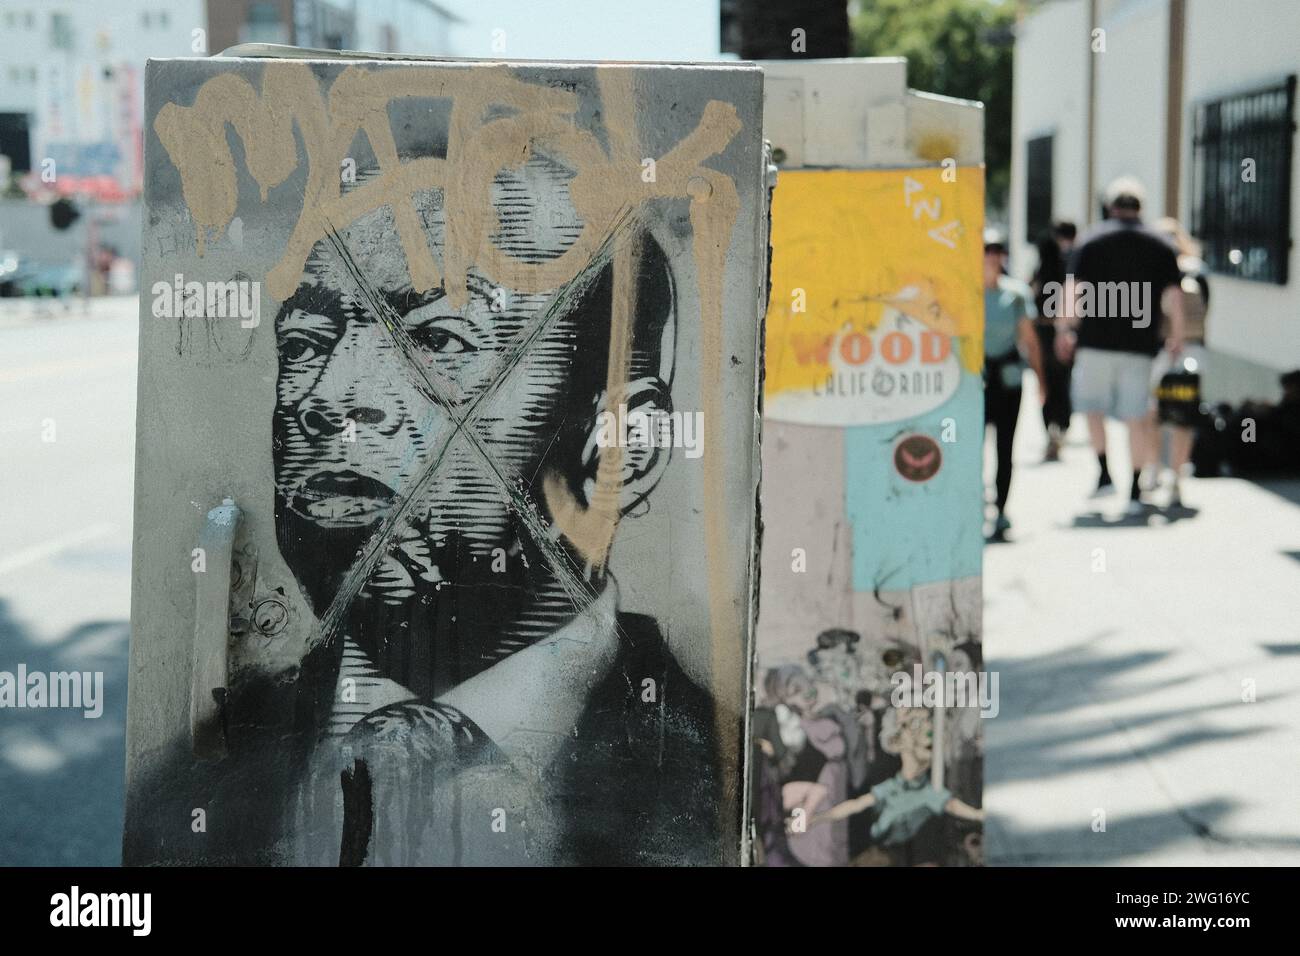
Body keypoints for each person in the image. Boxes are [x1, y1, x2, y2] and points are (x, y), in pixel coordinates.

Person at [1054, 177, 1185, 516]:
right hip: (1140, 344)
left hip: (1095, 341)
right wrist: (1178, 335)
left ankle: (1104, 473)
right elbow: (1174, 297)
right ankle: (1136, 490)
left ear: (1110, 206)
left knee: (1092, 408)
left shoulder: (1091, 240)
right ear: (1141, 207)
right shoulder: (1160, 244)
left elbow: (1073, 289)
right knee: (1135, 416)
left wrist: (1065, 328)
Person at [983, 229, 1046, 541]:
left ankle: (1002, 508)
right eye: (986, 250)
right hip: (976, 383)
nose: (991, 257)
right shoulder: (965, 292)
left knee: (1005, 447)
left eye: (997, 251)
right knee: (970, 448)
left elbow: (1030, 340)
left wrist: (1041, 380)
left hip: (1008, 381)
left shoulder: (1016, 293)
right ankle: (974, 503)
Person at [1149, 218, 1210, 508]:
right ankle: (1170, 474)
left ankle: (1160, 471)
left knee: (1160, 414)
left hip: (1167, 351)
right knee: (1178, 416)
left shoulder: (1161, 269)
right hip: (1188, 350)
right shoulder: (1196, 270)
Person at [1031, 222, 1077, 461]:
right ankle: (1060, 428)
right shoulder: (1066, 268)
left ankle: (1053, 429)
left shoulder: (1042, 271)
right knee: (1062, 383)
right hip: (1061, 330)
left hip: (1045, 331)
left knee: (1048, 383)